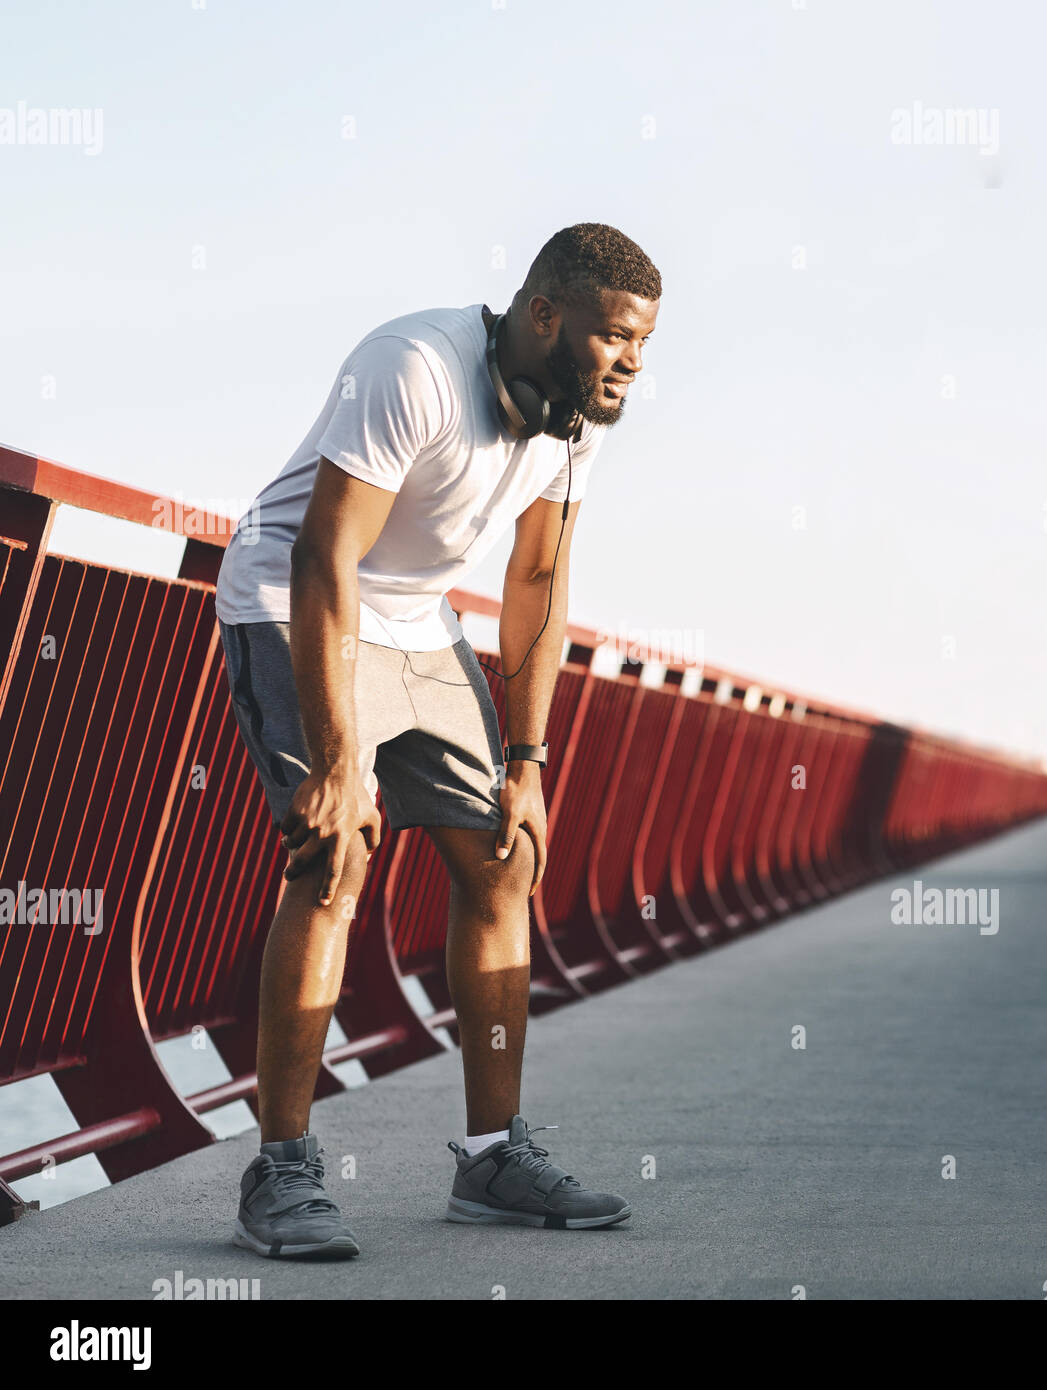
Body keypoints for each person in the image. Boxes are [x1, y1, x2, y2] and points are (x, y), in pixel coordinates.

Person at [212, 222, 661, 1256]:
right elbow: (328, 551)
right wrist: (337, 759)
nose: (631, 362)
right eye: (614, 338)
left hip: (416, 618)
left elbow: (538, 581)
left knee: (505, 859)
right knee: (337, 852)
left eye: (644, 344)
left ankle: (493, 1155)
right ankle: (280, 1172)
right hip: (296, 597)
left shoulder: (575, 421)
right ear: (545, 314)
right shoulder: (412, 363)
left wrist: (527, 764)